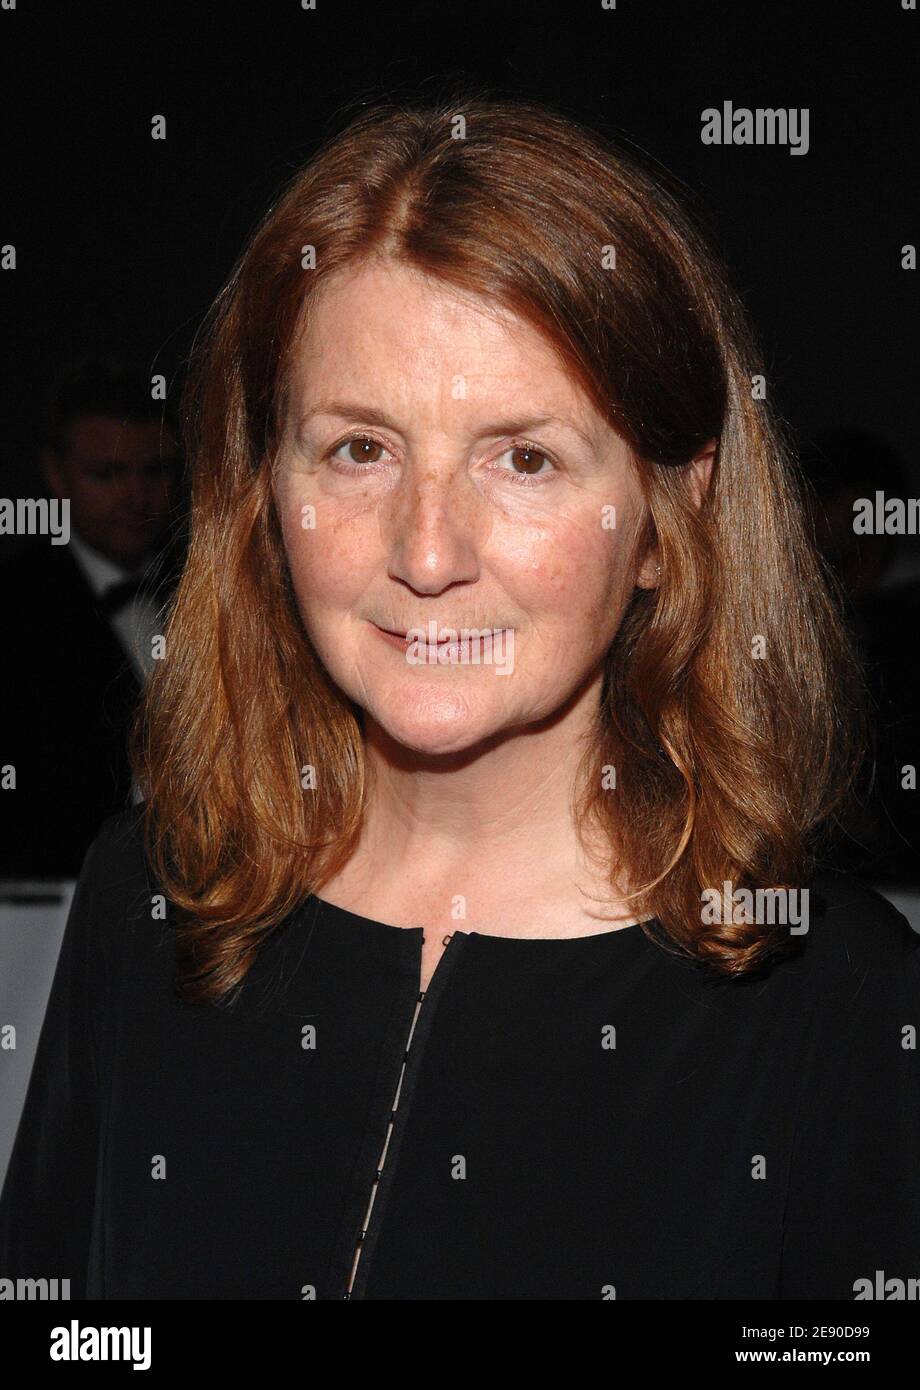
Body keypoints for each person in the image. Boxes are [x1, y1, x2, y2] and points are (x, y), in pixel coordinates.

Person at [1, 93, 918, 1301]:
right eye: (358, 450)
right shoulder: (154, 894)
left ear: (666, 516)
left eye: (523, 457)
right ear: (265, 493)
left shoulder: (833, 996)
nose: (427, 552)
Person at [0, 358, 185, 876]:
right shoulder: (15, 611)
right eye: (106, 473)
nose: (134, 495)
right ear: (57, 475)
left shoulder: (214, 591)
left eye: (155, 471)